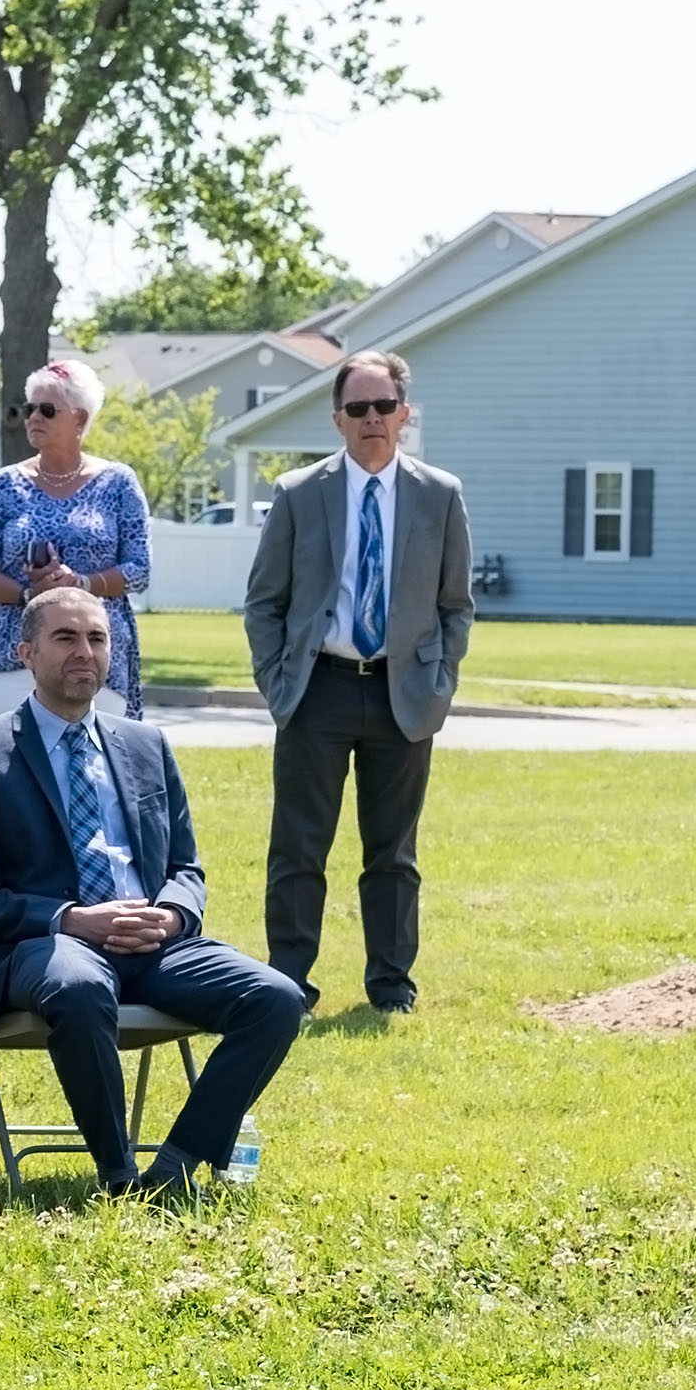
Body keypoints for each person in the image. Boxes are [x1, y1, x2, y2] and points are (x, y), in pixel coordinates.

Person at [0, 586, 302, 1196]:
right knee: (78, 987)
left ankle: (178, 1166)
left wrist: (173, 915)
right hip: (45, 946)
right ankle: (117, 1173)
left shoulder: (145, 744)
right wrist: (73, 919)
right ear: (26, 652)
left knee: (277, 998)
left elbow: (186, 868)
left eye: (97, 638)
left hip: (155, 946)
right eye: (66, 638)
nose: (85, 652)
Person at [242, 347, 470, 1015]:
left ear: (404, 413)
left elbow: (455, 605)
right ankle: (288, 983)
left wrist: (439, 680)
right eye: (358, 407)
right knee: (298, 846)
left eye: (384, 405)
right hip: (318, 688)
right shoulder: (298, 493)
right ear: (337, 417)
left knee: (393, 852)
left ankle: (391, 986)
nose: (372, 417)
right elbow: (264, 602)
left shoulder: (439, 494)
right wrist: (278, 682)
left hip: (404, 694)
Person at [0, 355, 149, 723]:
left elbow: (139, 569)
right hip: (12, 652)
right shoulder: (3, 485)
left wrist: (81, 584)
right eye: (29, 409)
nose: (34, 417)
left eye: (47, 410)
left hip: (92, 656)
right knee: (10, 755)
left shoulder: (118, 483)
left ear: (79, 418)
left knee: (95, 755)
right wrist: (29, 594)